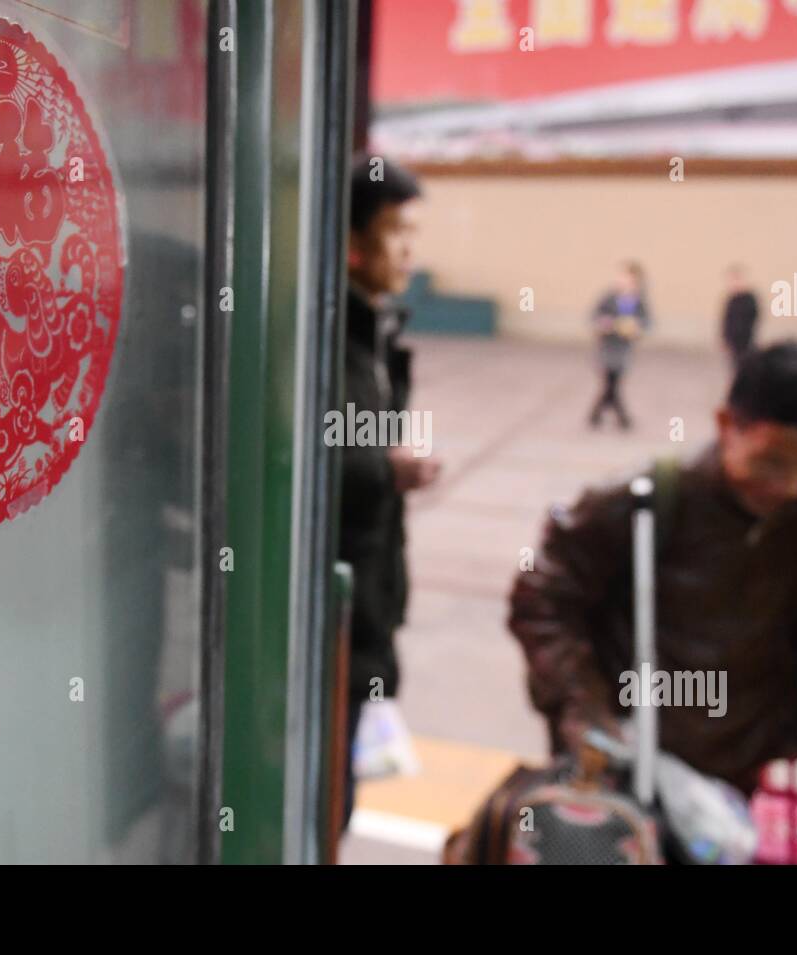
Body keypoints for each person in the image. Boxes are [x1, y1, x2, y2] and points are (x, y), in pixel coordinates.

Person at [511, 342, 797, 795]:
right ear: (726, 425)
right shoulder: (642, 501)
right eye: (771, 461)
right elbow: (543, 599)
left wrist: (792, 729)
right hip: (626, 758)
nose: (790, 487)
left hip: (738, 767)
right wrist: (583, 707)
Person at [338, 155, 442, 829]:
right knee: (325, 794)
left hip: (369, 603)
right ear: (350, 242)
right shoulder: (324, 332)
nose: (408, 248)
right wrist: (383, 466)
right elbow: (297, 458)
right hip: (333, 605)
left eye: (414, 231)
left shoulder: (376, 330)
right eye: (395, 230)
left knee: (338, 792)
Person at [589, 262, 650, 430]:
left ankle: (597, 414)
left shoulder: (638, 302)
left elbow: (646, 322)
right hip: (608, 346)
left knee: (613, 383)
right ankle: (621, 418)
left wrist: (636, 327)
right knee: (610, 382)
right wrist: (603, 324)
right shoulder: (609, 299)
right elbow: (595, 316)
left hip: (624, 348)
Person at [720, 263, 760, 370]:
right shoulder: (732, 300)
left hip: (745, 340)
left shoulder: (749, 299)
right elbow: (726, 320)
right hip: (733, 340)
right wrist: (725, 338)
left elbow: (753, 317)